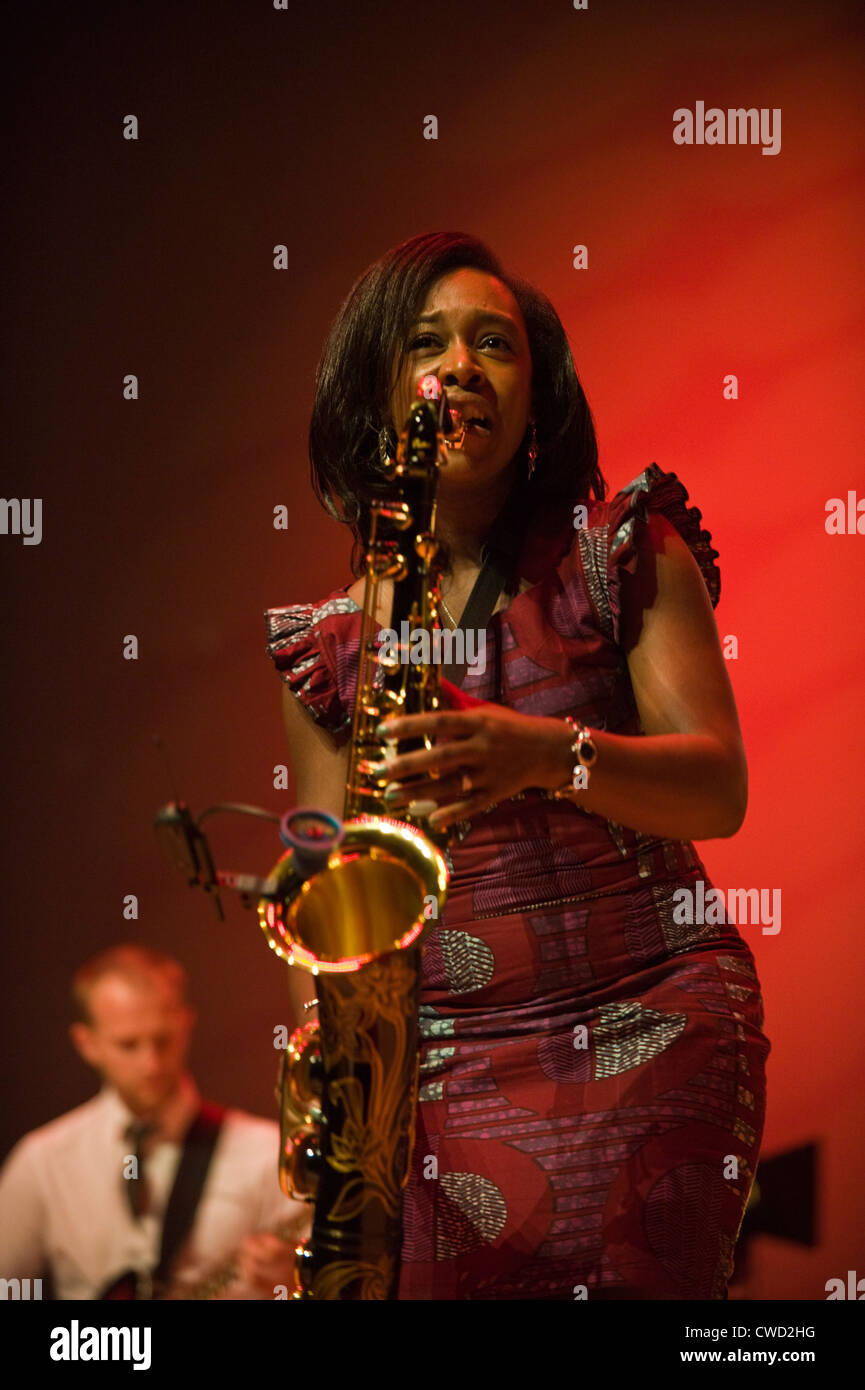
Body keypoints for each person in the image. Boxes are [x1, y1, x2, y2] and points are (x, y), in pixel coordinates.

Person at [262, 230, 771, 1300]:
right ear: (375, 387)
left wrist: (543, 755)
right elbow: (326, 892)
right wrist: (322, 1033)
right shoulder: (325, 652)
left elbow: (717, 787)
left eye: (494, 343)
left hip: (653, 1020)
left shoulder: (621, 550)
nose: (459, 368)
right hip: (443, 1071)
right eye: (427, 343)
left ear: (534, 402)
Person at [0, 945, 310, 1299]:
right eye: (128, 1045)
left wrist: (293, 1281)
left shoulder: (268, 1153)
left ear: (186, 1024)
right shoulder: (42, 1161)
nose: (151, 1064)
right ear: (87, 1043)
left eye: (162, 1040)